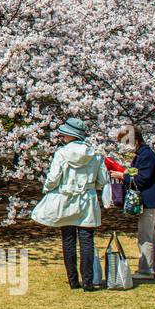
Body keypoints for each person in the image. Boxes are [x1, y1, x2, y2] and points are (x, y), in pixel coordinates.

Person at [30, 118, 108, 291]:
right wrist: (91, 186)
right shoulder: (95, 154)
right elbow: (103, 179)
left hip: (66, 198)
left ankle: (73, 280)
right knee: (87, 241)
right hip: (87, 199)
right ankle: (88, 281)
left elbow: (53, 178)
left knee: (68, 239)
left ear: (70, 135)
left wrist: (47, 188)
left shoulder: (62, 153)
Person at [111, 124, 155, 282]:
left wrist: (123, 176)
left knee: (145, 236)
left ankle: (146, 270)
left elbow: (142, 178)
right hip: (150, 201)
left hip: (148, 201)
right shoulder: (142, 155)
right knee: (151, 236)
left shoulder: (146, 155)